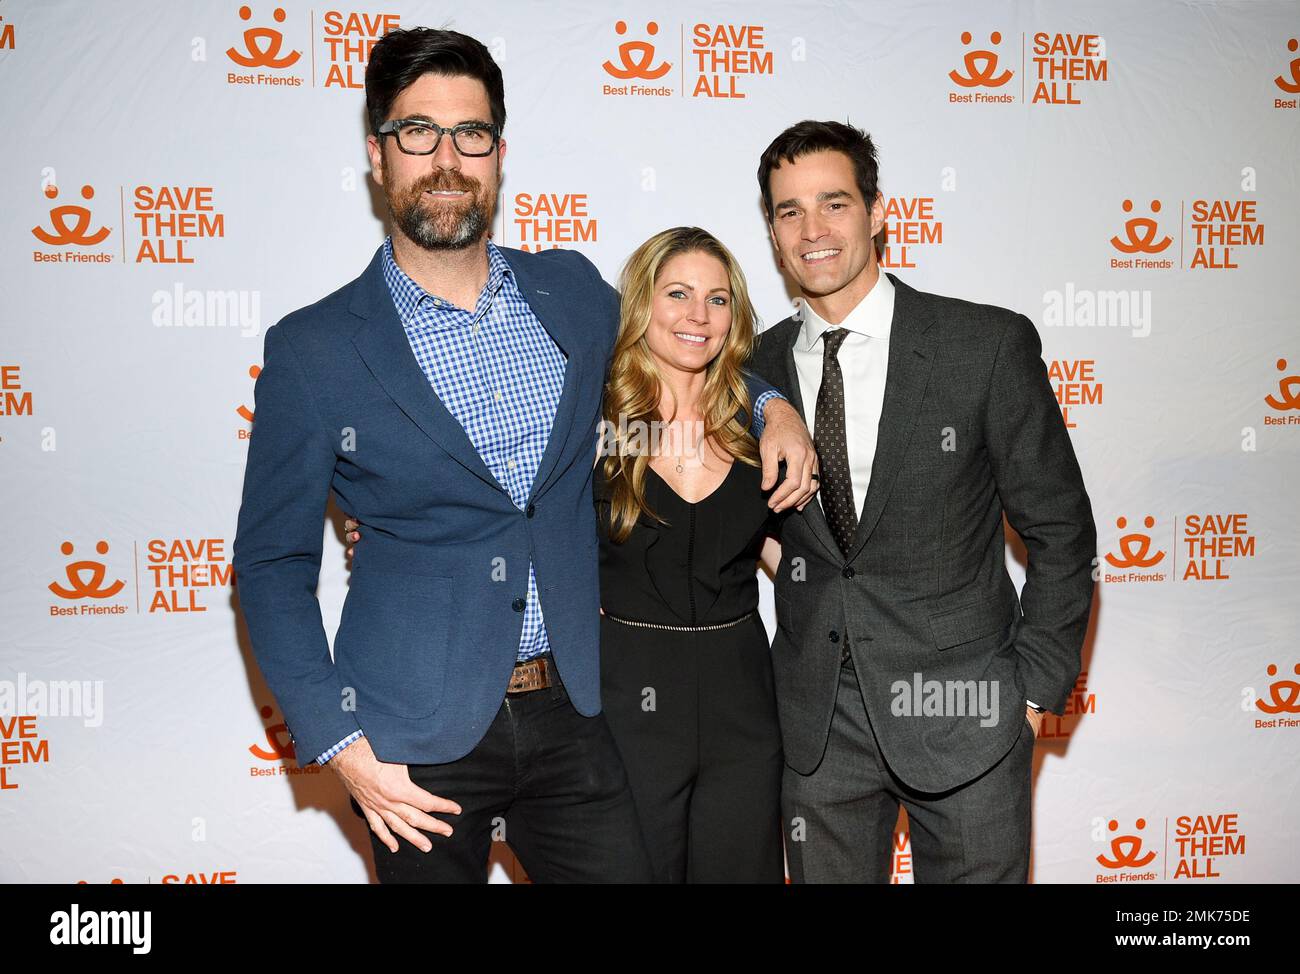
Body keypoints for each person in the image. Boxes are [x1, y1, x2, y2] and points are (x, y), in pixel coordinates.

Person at [231, 27, 817, 884]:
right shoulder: (315, 349)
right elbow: (272, 564)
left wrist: (773, 408)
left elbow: (688, 341)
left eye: (470, 134)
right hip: (411, 743)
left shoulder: (571, 293)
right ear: (377, 154)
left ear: (499, 154)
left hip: (579, 715)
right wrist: (343, 747)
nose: (445, 158)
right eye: (416, 133)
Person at [748, 120, 1098, 883]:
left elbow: (1062, 531)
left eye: (833, 203)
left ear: (878, 212)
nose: (813, 230)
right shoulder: (751, 366)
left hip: (970, 713)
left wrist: (1033, 693)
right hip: (817, 733)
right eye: (788, 211)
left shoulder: (984, 345)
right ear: (772, 233)